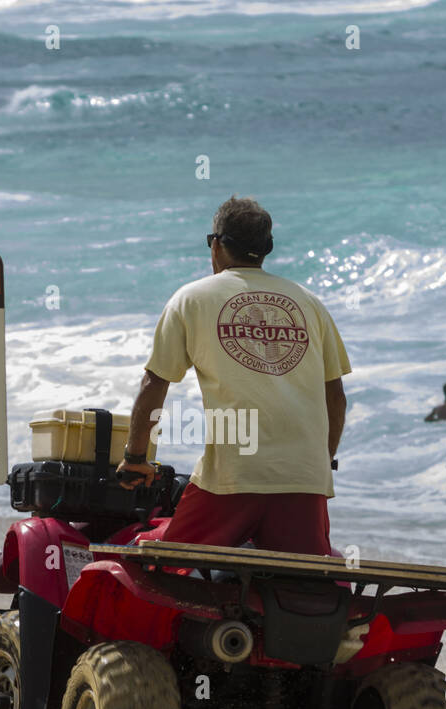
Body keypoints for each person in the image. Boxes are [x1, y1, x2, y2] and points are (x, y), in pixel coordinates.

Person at [115, 195, 351, 557]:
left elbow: (155, 383)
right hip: (305, 479)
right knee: (309, 588)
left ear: (216, 244)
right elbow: (335, 395)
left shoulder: (191, 299)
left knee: (167, 564)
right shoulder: (308, 303)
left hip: (232, 478)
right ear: (267, 248)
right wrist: (324, 459)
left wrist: (135, 457)